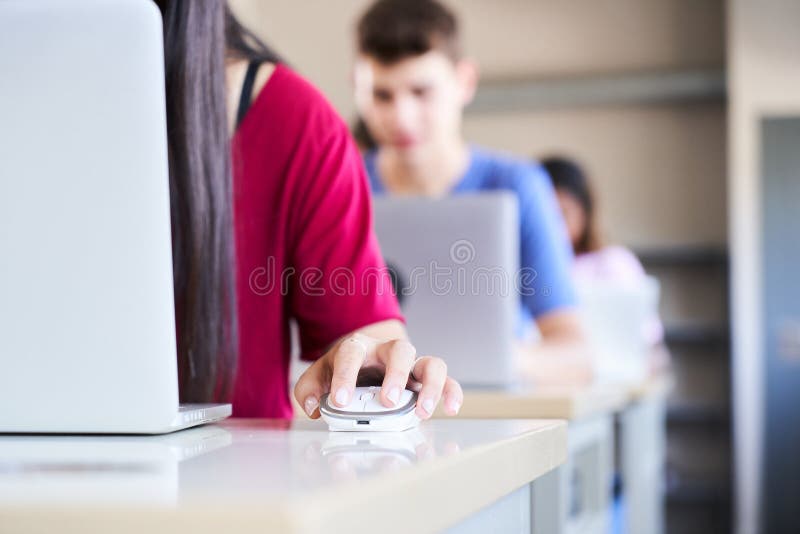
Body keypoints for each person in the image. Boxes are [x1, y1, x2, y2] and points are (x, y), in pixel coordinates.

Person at [153, 1, 463, 420]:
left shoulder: (298, 123)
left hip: (235, 476)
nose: (401, 115)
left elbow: (363, 334)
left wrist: (374, 363)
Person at [352, 0, 591, 384]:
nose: (401, 116)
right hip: (374, 416)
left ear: (464, 82)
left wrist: (501, 357)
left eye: (420, 91)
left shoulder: (518, 187)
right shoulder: (341, 186)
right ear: (357, 89)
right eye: (382, 95)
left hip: (491, 413)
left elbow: (576, 353)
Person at [542, 156, 665, 346]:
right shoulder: (518, 272)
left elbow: (647, 338)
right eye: (543, 217)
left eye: (563, 214)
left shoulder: (613, 263)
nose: (553, 229)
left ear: (585, 213)